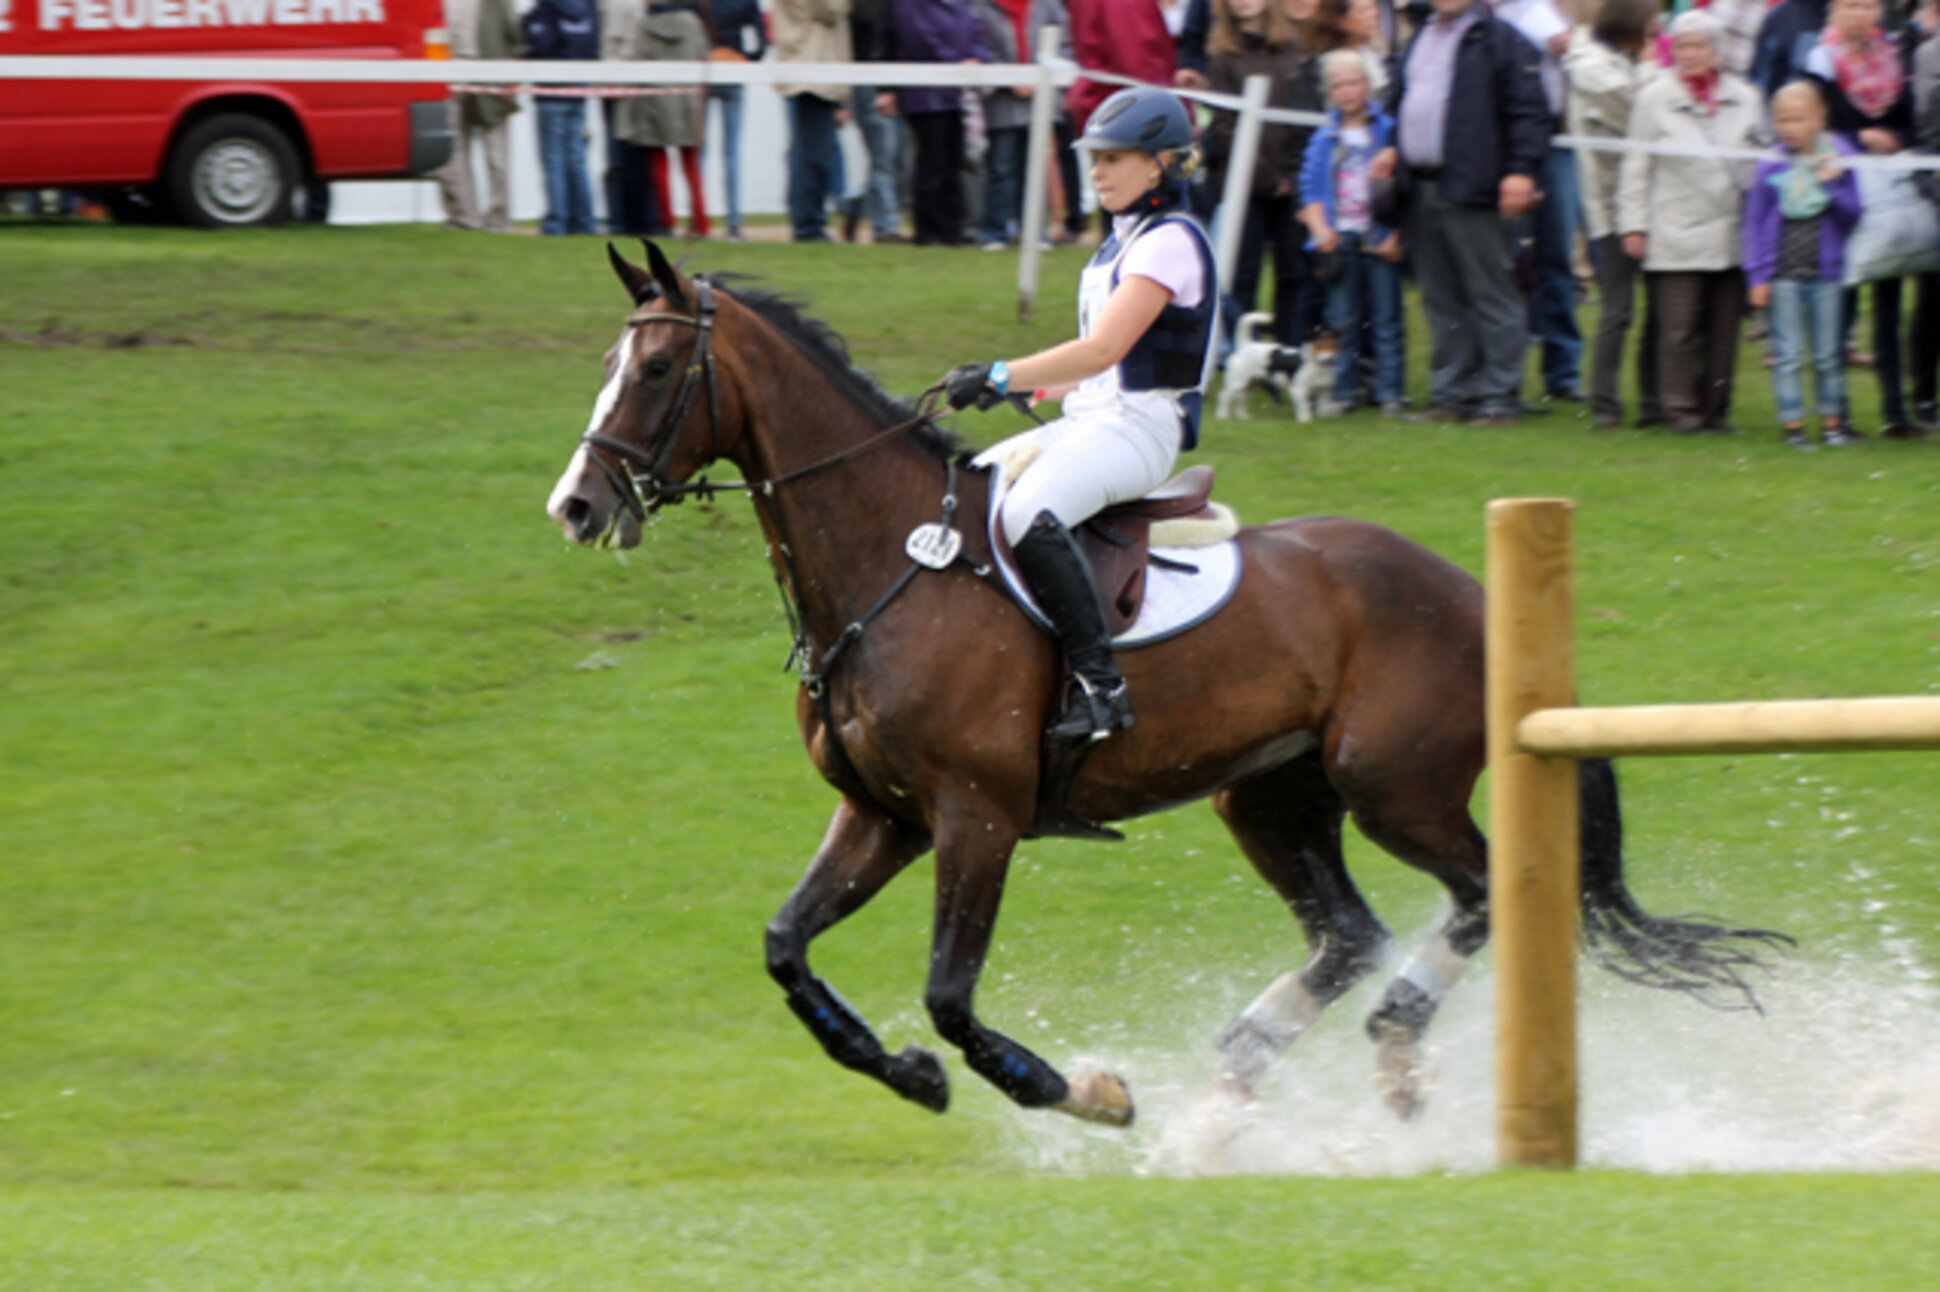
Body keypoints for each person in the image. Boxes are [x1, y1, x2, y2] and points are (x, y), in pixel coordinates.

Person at [939, 87, 1216, 742]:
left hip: (1144, 430)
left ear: (1158, 165)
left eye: (1112, 158)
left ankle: (1101, 685)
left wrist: (1004, 371)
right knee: (972, 485)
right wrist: (1030, 393)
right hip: (1099, 419)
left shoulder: (1169, 241)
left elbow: (1102, 350)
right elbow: (1102, 370)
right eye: (1093, 158)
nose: (1095, 172)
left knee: (1027, 515)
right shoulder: (1115, 248)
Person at [1376, 0, 1549, 427]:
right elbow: (1403, 101)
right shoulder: (1420, 36)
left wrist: (1520, 172)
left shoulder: (1502, 40)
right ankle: (1451, 395)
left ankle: (1499, 398)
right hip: (1419, 184)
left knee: (1491, 293)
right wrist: (1393, 146)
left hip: (1477, 186)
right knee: (1440, 297)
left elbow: (1529, 112)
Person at [1616, 10, 1765, 435]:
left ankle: (1715, 411)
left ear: (1715, 51)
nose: (1690, 54)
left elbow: (1761, 160)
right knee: (1677, 330)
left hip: (1731, 229)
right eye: (1682, 45)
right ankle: (1680, 411)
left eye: (1698, 45)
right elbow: (1635, 166)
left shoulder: (1745, 96)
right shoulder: (1653, 97)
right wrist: (1633, 224)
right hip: (1673, 228)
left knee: (1723, 332)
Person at [1806, 0, 1919, 438]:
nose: (1859, 12)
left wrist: (1893, 137)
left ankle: (1897, 412)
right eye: (1850, 3)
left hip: (1890, 196)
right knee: (1841, 309)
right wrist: (1859, 138)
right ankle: (1839, 416)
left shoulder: (1892, 55)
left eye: (1868, 3)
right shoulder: (1821, 59)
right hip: (1843, 197)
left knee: (1889, 309)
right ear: (1835, 9)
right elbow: (1814, 121)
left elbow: (1911, 121)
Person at [1745, 81, 1864, 448]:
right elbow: (1754, 222)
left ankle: (1832, 425)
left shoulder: (1839, 156)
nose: (1789, 127)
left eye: (1797, 119)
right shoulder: (1771, 164)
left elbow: (1854, 215)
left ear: (1817, 119)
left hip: (1826, 272)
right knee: (1788, 354)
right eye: (1781, 120)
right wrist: (1757, 275)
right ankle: (1793, 426)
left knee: (1828, 353)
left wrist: (1832, 185)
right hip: (1782, 274)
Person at [1565, 0, 1663, 429]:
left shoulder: (1621, 61)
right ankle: (1605, 403)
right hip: (1611, 205)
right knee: (1617, 309)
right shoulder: (1592, 68)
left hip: (1655, 201)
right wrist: (1649, 67)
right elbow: (1646, 109)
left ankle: (1655, 401)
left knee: (1660, 310)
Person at [1301, 48, 1406, 413]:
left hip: (1379, 237)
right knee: (1341, 319)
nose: (1346, 91)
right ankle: (1341, 392)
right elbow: (1310, 188)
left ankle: (1390, 392)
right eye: (1338, 85)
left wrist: (1397, 233)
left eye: (1353, 82)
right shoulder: (1324, 137)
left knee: (1387, 318)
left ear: (1367, 84)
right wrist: (1319, 229)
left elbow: (1403, 188)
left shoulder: (1389, 131)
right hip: (1339, 238)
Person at [1204, 0, 1306, 342]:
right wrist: (1265, 177)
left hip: (1290, 180)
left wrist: (1289, 173)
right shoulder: (1223, 57)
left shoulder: (1292, 49)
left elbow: (1302, 113)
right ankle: (1240, 355)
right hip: (1243, 184)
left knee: (1292, 272)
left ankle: (1287, 350)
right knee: (1242, 273)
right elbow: (1224, 128)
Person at [1497, 0, 1583, 402]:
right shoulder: (1482, 16)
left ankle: (1563, 372)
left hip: (1556, 138)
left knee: (1557, 259)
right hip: (1503, 143)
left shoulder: (1550, 9)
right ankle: (1504, 372)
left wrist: (1571, 41)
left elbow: (1582, 56)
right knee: (1504, 262)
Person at [613, 0, 713, 238]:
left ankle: (666, 221)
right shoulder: (694, 23)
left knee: (660, 167)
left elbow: (636, 63)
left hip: (656, 103)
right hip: (688, 102)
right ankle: (700, 223)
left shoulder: (645, 25)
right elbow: (704, 57)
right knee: (692, 168)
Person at [973, 0, 1067, 250]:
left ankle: (1035, 232)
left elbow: (1064, 43)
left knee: (1036, 169)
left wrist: (1044, 76)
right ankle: (995, 232)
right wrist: (1010, 78)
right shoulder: (982, 6)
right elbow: (980, 47)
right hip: (1001, 101)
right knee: (1000, 168)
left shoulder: (1048, 5)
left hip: (1041, 98)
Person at [894, 0, 987, 246]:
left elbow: (975, 31)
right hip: (926, 95)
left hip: (956, 96)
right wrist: (956, 65)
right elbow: (918, 38)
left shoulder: (962, 5)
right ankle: (928, 232)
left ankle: (952, 231)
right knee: (931, 164)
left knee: (953, 163)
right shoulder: (912, 5)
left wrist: (977, 58)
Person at [436, 0, 525, 233]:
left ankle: (499, 218)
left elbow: (514, 38)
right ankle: (463, 217)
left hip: (491, 79)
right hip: (449, 78)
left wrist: (510, 77)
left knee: (497, 158)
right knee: (453, 153)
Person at [774, 0, 855, 242]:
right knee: (812, 157)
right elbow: (831, 8)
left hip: (813, 71)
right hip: (810, 73)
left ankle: (810, 223)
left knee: (812, 154)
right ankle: (808, 227)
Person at [523, 0, 601, 237]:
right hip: (579, 91)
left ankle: (556, 223)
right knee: (576, 160)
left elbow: (543, 46)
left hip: (551, 92)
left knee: (554, 161)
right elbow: (593, 48)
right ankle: (585, 222)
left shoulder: (545, 10)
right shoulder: (588, 8)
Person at [847, 0, 908, 244]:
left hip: (894, 84)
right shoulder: (866, 7)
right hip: (871, 86)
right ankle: (886, 228)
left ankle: (853, 207)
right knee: (884, 160)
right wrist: (884, 88)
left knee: (895, 160)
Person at [600, 0, 664, 234]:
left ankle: (624, 221)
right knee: (630, 159)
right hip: (626, 88)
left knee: (624, 159)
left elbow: (611, 45)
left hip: (625, 89)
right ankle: (633, 221)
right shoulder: (626, 5)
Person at [707, 0, 769, 242]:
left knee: (700, 150)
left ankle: (699, 221)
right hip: (734, 67)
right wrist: (749, 60)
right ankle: (734, 224)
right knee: (731, 152)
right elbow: (762, 38)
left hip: (705, 66)